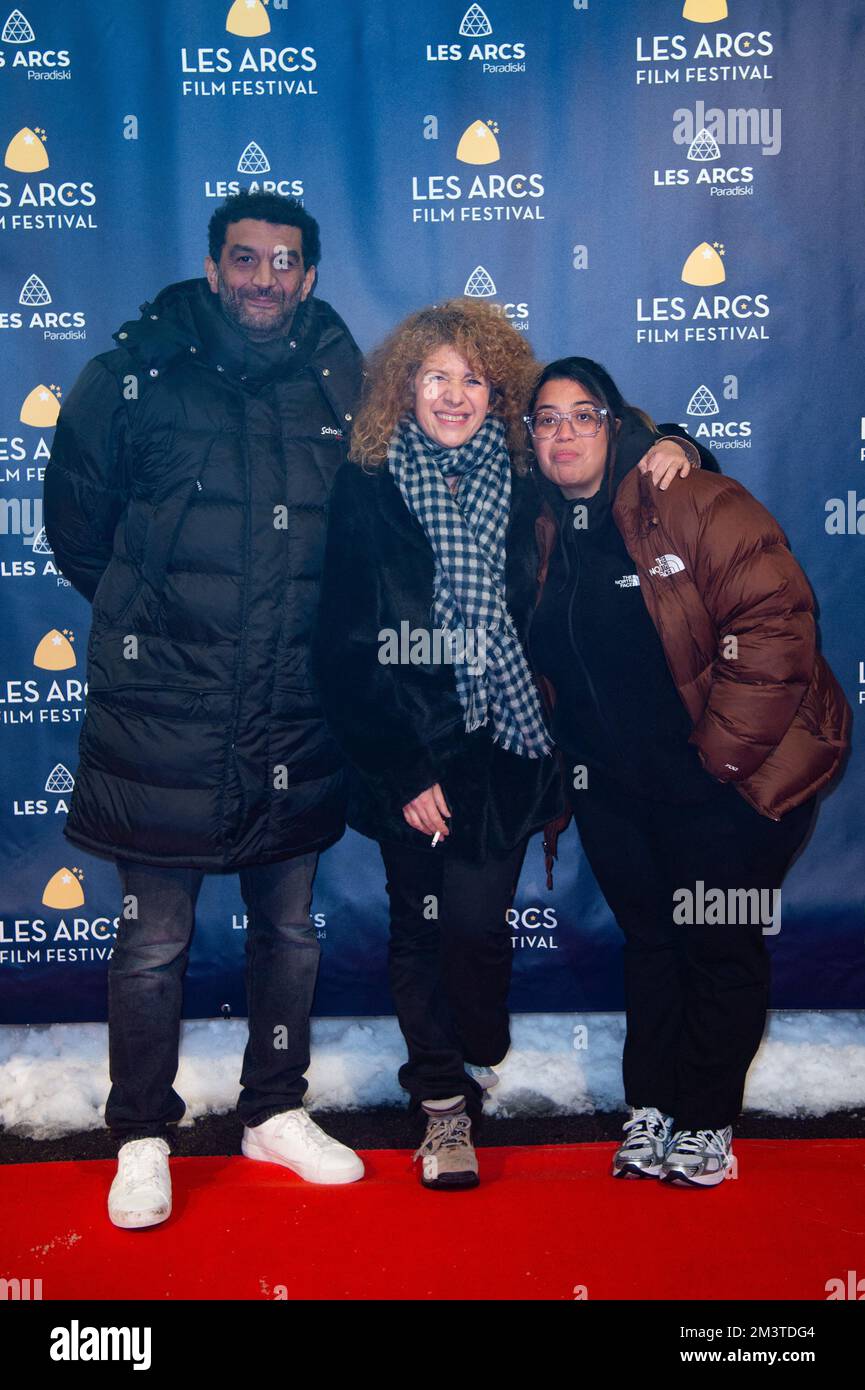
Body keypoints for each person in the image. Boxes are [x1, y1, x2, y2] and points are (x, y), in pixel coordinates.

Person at [312, 302, 700, 1190]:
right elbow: (339, 642)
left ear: (499, 393)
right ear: (405, 388)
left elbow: (614, 441)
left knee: (475, 930)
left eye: (473, 379)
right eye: (436, 376)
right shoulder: (366, 484)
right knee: (419, 928)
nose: (453, 395)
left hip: (509, 746)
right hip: (408, 753)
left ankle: (475, 1050)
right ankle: (442, 1111)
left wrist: (676, 441)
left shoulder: (530, 477)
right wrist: (402, 769)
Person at [43, 191, 366, 1228]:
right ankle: (140, 1132)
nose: (263, 278)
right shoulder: (131, 373)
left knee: (288, 932)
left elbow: (440, 462)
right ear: (214, 264)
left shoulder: (342, 377)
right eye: (244, 258)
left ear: (308, 274)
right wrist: (161, 626)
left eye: (283, 261)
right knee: (150, 942)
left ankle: (273, 1109)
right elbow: (77, 529)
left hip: (293, 712)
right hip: (164, 710)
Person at [528, 357, 851, 1187]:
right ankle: (653, 1107)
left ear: (617, 424)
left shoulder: (692, 501)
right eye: (546, 419)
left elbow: (775, 626)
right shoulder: (540, 528)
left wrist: (721, 766)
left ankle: (706, 1120)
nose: (563, 433)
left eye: (583, 415)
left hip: (726, 786)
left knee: (719, 945)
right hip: (617, 793)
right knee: (652, 945)